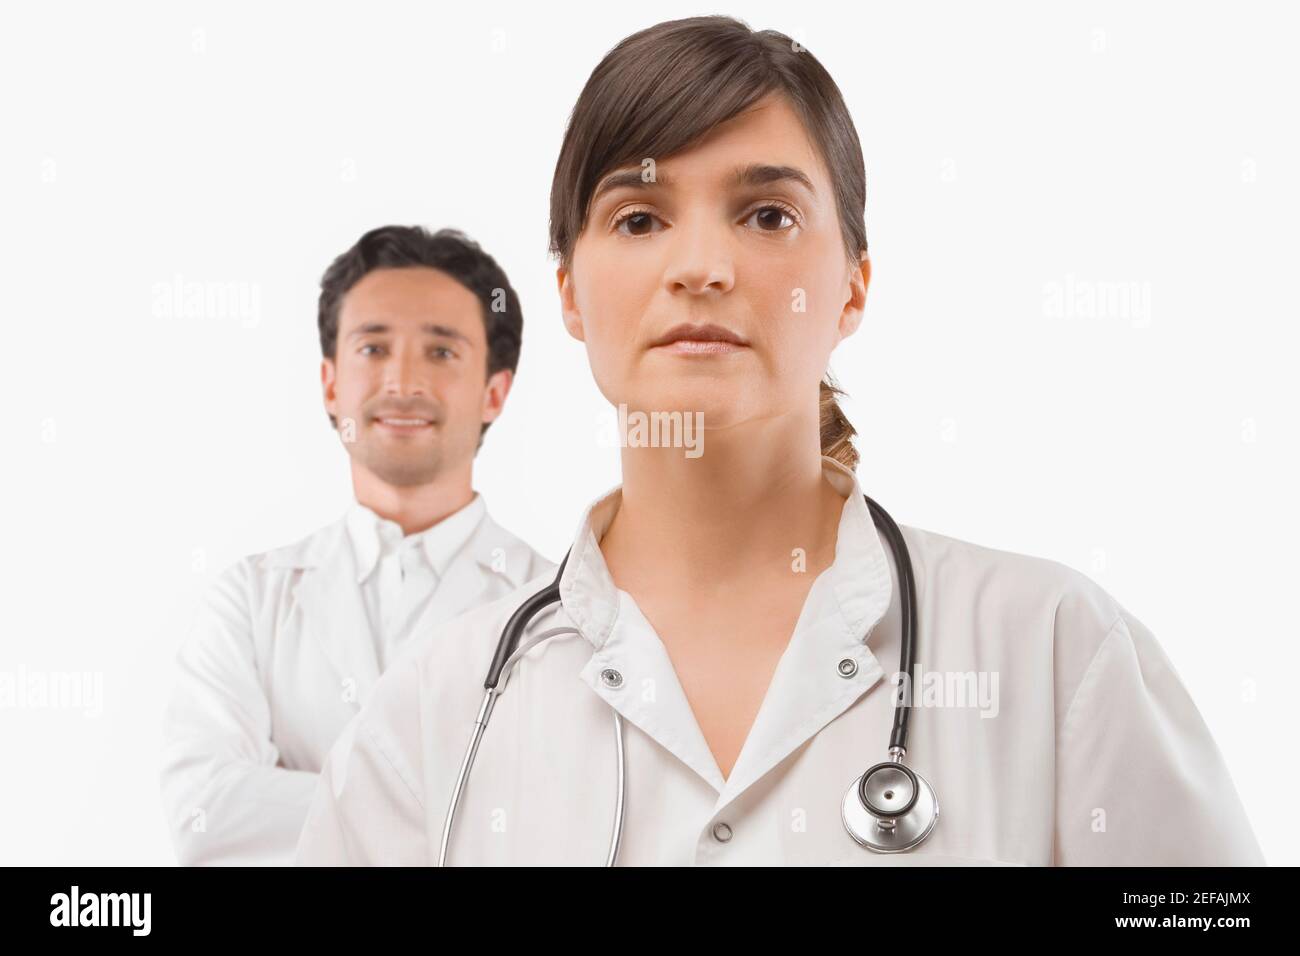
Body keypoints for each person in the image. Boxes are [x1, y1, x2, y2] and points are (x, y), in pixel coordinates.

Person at [294, 18, 1265, 866]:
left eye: (766, 214)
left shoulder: (1051, 648)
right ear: (567, 296)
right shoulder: (433, 715)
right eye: (638, 218)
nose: (702, 266)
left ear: (851, 284)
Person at [161, 225, 554, 865]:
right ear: (330, 384)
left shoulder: (555, 611)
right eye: (373, 348)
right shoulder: (252, 597)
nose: (402, 381)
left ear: (495, 392)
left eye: (442, 351)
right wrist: (445, 808)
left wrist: (300, 803)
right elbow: (206, 813)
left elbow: (553, 828)